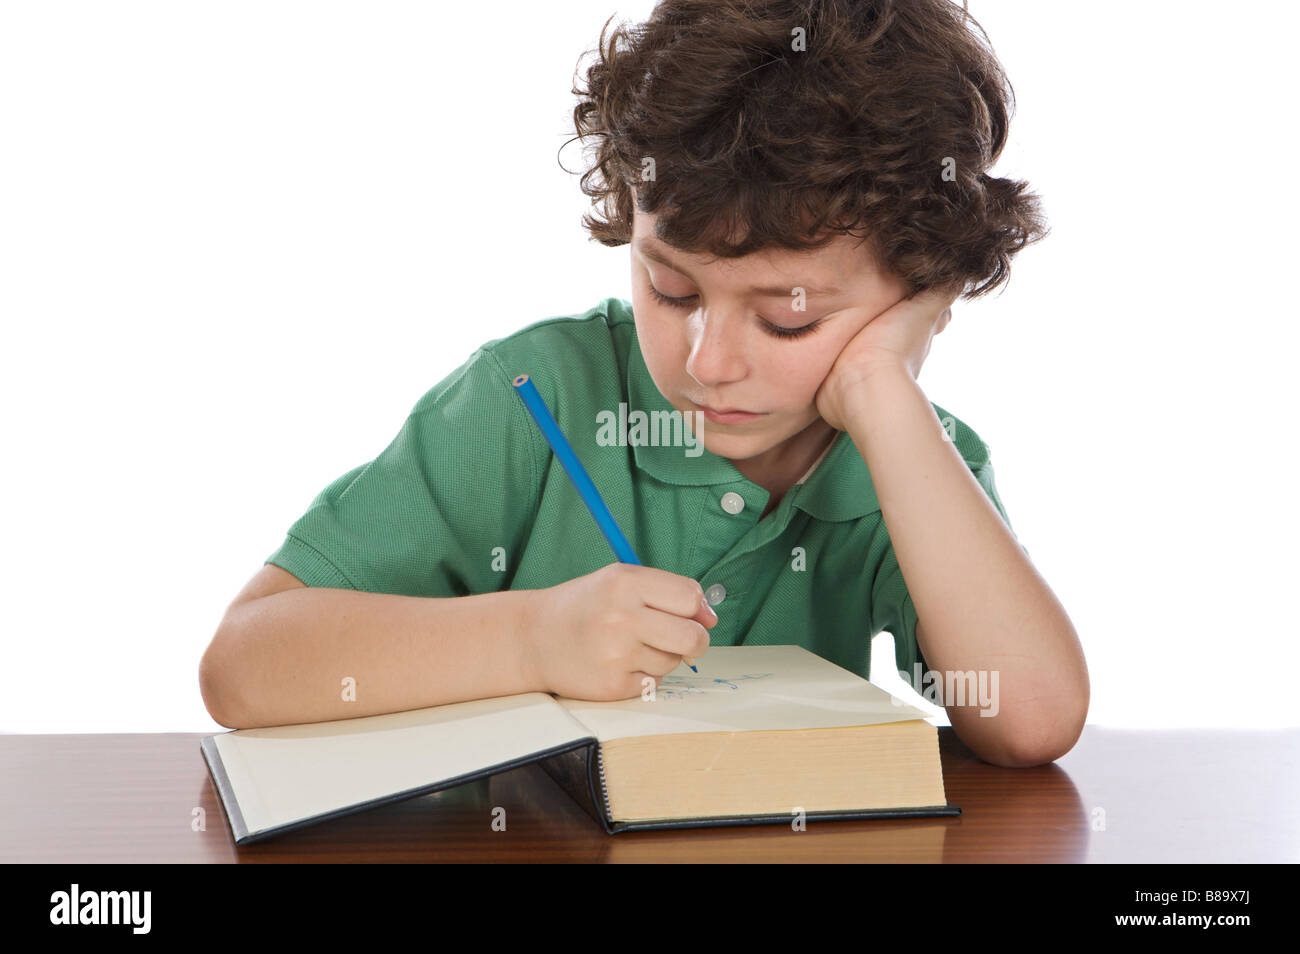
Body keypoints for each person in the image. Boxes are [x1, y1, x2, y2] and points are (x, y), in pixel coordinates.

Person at [199, 0, 1088, 768]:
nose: (708, 362)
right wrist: (531, 639)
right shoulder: (530, 398)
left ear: (917, 290)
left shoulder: (912, 465)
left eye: (788, 318)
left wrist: (882, 391)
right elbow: (243, 664)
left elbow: (1033, 719)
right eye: (671, 288)